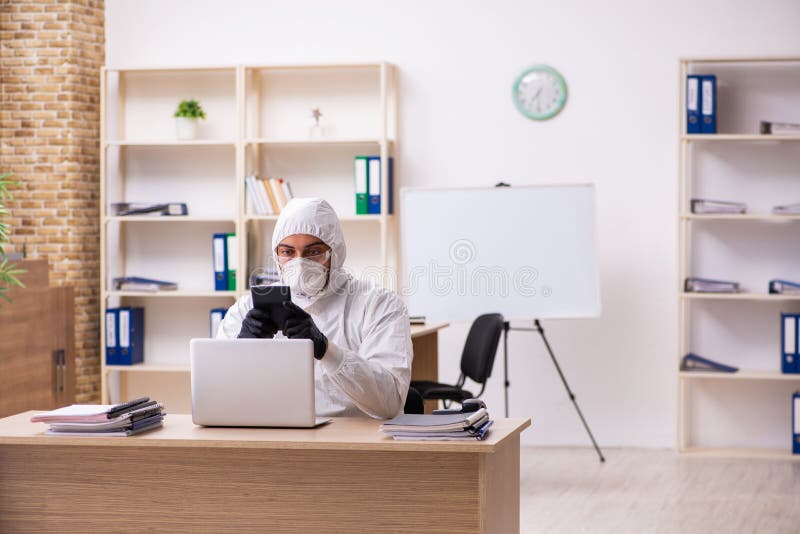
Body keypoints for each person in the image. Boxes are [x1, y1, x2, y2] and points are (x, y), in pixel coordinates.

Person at [216, 197, 413, 419]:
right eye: (288, 252)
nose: (299, 263)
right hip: (272, 436)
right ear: (276, 255)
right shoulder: (247, 307)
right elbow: (214, 397)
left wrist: (326, 350)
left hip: (352, 442)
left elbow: (389, 403)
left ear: (335, 253)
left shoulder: (378, 305)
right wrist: (240, 352)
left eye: (313, 252)